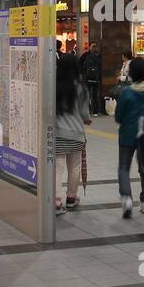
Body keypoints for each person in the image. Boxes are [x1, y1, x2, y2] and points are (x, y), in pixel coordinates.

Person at [114, 57, 144, 219]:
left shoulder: (126, 92)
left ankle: (127, 199)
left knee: (124, 167)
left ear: (132, 73)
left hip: (127, 134)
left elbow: (118, 116)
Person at [54, 53, 92, 214]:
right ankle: (71, 197)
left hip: (57, 133)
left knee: (57, 168)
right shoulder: (81, 88)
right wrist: (87, 120)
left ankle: (56, 201)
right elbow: (85, 114)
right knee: (74, 167)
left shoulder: (53, 86)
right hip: (76, 133)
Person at [80, 42, 104, 116]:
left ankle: (92, 110)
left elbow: (82, 66)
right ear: (89, 47)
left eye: (95, 46)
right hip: (92, 78)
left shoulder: (88, 56)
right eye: (93, 46)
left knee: (92, 94)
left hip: (90, 78)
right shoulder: (95, 56)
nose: (94, 48)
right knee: (91, 94)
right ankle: (91, 110)